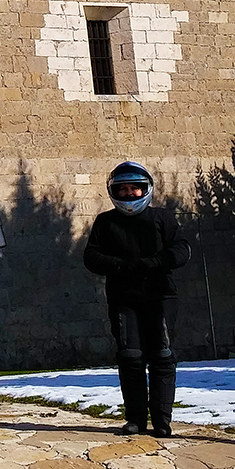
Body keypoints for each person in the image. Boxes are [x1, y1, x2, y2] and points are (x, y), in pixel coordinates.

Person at [82, 161, 191, 437]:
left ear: (146, 189)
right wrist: (121, 266)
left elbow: (182, 249)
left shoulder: (163, 218)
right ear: (113, 193)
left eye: (135, 188)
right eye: (123, 189)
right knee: (130, 357)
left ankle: (162, 422)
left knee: (162, 356)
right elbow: (91, 256)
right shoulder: (105, 222)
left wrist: (155, 262)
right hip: (123, 299)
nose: (129, 194)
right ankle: (135, 420)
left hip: (161, 296)